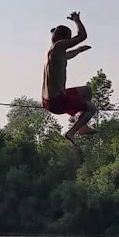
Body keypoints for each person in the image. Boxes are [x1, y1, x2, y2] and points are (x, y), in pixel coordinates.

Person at [42, 10, 98, 151]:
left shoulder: (55, 52)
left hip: (53, 98)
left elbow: (67, 56)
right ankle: (71, 132)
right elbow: (82, 36)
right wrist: (77, 20)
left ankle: (83, 126)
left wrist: (79, 50)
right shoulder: (58, 46)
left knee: (87, 91)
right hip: (56, 101)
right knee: (92, 108)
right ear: (64, 39)